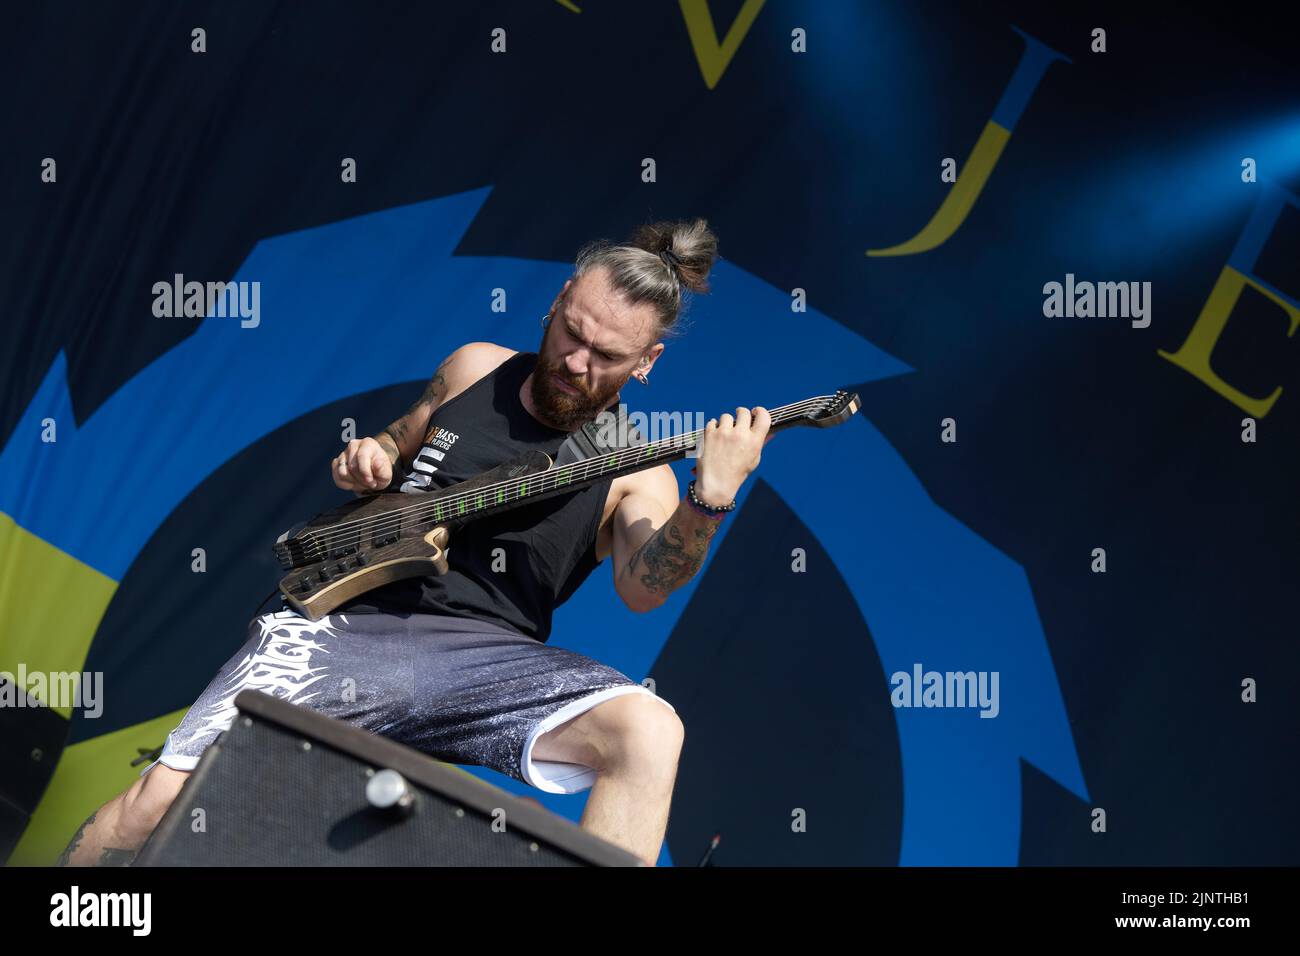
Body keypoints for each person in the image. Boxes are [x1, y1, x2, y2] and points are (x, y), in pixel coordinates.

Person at [57, 217, 772, 867]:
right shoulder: (475, 367)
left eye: (605, 355)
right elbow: (388, 452)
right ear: (556, 302)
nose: (576, 362)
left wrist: (710, 499)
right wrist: (364, 457)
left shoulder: (638, 468)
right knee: (158, 803)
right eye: (571, 334)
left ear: (646, 363)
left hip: (483, 662)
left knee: (648, 730)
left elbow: (644, 588)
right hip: (348, 620)